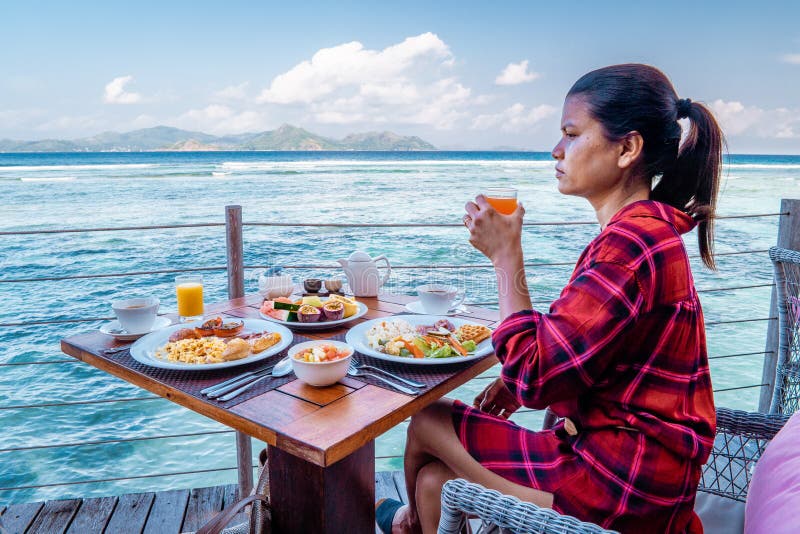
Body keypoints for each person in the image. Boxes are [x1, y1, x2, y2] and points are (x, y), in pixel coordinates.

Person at [375, 64, 722, 533]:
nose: (556, 150)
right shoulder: (645, 232)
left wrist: (505, 256)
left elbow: (536, 374)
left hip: (622, 486)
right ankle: (412, 521)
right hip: (643, 472)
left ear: (627, 148)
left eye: (572, 134)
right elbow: (585, 353)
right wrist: (516, 384)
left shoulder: (631, 245)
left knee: (428, 421)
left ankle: (404, 525)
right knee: (435, 479)